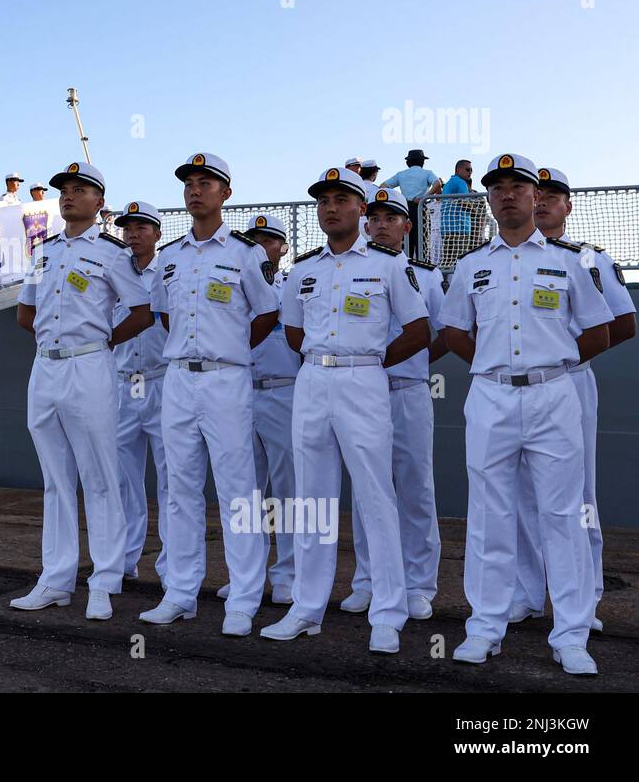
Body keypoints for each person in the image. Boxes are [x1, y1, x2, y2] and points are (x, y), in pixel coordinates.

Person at [439, 153, 611, 675]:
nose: (507, 194)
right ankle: (485, 627)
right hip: (490, 397)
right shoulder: (471, 266)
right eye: (498, 188)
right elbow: (454, 333)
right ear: (488, 200)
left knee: (563, 517)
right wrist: (496, 369)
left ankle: (572, 635)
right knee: (490, 516)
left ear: (537, 197)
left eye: (518, 186)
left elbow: (600, 331)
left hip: (553, 396)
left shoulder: (570, 260)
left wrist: (547, 367)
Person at [259, 166, 429, 655]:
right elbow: (293, 333)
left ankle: (388, 612)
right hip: (312, 379)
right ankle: (307, 609)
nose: (330, 207)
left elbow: (418, 330)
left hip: (364, 380)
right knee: (313, 499)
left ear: (361, 209)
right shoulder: (304, 271)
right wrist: (324, 364)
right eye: (323, 201)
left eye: (341, 199)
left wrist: (373, 362)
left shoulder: (389, 266)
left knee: (376, 495)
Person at [138, 153, 278, 635]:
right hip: (178, 377)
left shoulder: (245, 253)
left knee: (238, 489)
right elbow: (164, 315)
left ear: (226, 193)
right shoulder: (171, 257)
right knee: (179, 487)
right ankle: (180, 593)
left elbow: (266, 313)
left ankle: (242, 598)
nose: (195, 190)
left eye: (206, 183)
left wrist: (230, 349)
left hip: (226, 379)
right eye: (190, 184)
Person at [11, 161, 153, 620]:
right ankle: (55, 579)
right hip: (45, 369)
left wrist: (102, 341)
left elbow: (142, 310)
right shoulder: (43, 253)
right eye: (64, 190)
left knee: (100, 477)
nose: (68, 196)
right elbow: (24, 312)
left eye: (79, 189)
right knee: (55, 480)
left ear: (99, 202)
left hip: (89, 367)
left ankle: (105, 580)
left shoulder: (113, 254)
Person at [509, 167, 636, 633]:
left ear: (568, 205)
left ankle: (586, 597)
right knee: (519, 489)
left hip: (570, 384)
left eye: (553, 195)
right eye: (536, 194)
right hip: (513, 388)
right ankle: (526, 593)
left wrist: (562, 361)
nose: (541, 201)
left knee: (578, 491)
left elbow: (623, 324)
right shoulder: (502, 258)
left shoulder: (587, 259)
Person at [341, 185, 447, 621]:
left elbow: (440, 333)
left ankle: (420, 585)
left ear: (407, 226)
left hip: (406, 392)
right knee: (368, 488)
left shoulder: (425, 274)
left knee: (416, 488)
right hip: (360, 394)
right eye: (376, 218)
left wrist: (410, 366)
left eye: (391, 218)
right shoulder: (349, 269)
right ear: (366, 223)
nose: (381, 225)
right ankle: (368, 579)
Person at [111, 201, 171, 584]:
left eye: (141, 228)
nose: (133, 235)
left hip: (161, 380)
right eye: (128, 229)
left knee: (171, 477)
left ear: (157, 234)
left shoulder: (167, 272)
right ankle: (125, 559)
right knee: (122, 478)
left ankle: (170, 567)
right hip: (122, 383)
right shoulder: (111, 273)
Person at [244, 213, 300, 605]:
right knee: (245, 492)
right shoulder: (236, 287)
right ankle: (247, 573)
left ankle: (289, 574)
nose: (262, 246)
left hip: (285, 392)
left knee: (288, 491)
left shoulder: (294, 286)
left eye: (269, 240)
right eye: (255, 240)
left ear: (282, 248)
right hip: (241, 392)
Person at [383, 150, 443, 257]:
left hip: (404, 209)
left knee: (406, 241)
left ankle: (405, 267)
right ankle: (422, 268)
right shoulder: (427, 173)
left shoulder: (401, 174)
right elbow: (438, 184)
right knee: (422, 241)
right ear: (422, 162)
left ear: (408, 162)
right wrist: (424, 197)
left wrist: (398, 199)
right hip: (420, 208)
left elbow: (383, 186)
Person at [440, 159, 476, 264]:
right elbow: (464, 202)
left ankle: (444, 280)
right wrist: (474, 210)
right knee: (461, 262)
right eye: (468, 170)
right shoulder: (461, 183)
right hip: (460, 229)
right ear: (458, 170)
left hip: (446, 229)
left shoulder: (448, 183)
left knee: (447, 262)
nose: (470, 172)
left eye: (471, 170)